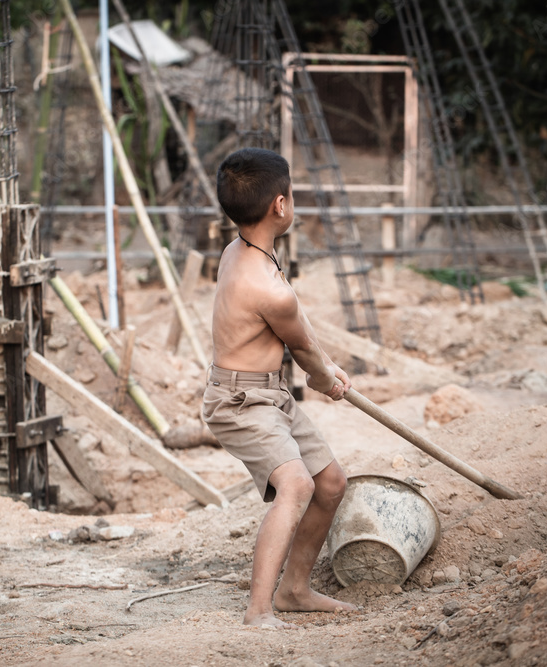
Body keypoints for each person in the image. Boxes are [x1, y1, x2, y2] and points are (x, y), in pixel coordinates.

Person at [201, 147, 356, 628]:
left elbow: (301, 331)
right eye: (293, 194)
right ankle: (259, 610)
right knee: (297, 484)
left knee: (331, 484)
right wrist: (324, 378)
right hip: (240, 401)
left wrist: (327, 364)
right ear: (280, 205)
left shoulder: (241, 252)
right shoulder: (267, 288)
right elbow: (302, 348)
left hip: (271, 395)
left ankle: (294, 590)